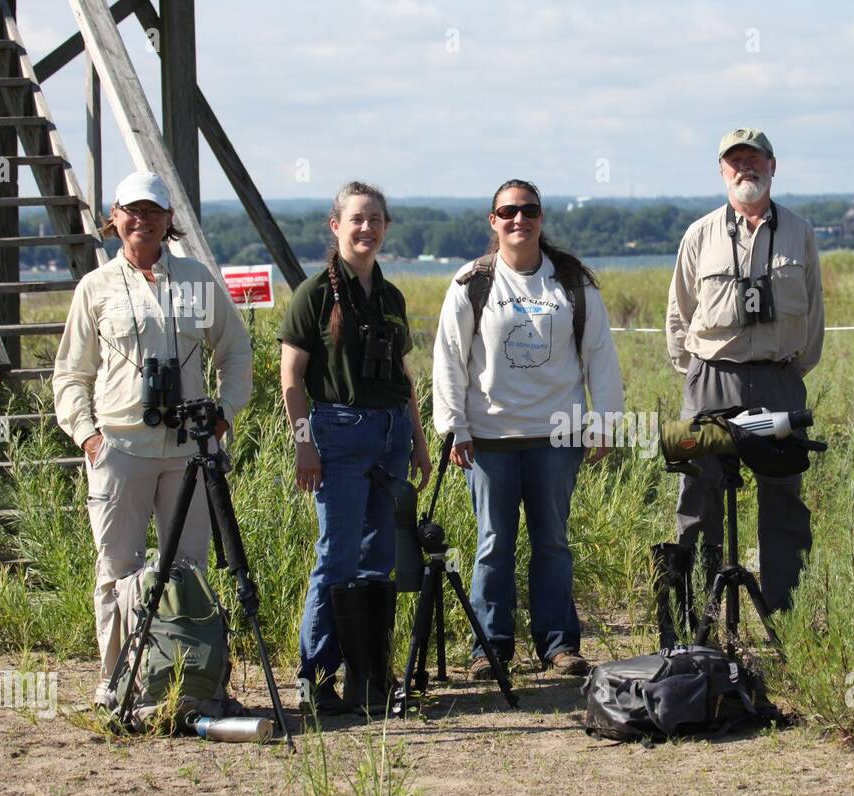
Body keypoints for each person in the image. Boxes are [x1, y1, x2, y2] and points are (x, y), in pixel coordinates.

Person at [53, 170, 253, 707]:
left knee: (188, 568)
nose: (141, 221)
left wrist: (224, 412)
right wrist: (88, 437)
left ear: (170, 221)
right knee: (117, 569)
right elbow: (71, 373)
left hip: (189, 450)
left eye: (153, 211)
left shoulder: (197, 280)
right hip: (118, 449)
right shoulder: (94, 289)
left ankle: (187, 680)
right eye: (131, 211)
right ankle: (117, 682)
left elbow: (235, 351)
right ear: (113, 218)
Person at [432, 178, 624, 679]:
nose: (520, 220)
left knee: (552, 542)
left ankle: (559, 646)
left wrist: (603, 422)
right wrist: (454, 426)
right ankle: (489, 648)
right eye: (509, 211)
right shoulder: (472, 283)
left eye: (530, 210)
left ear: (541, 218)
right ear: (493, 221)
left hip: (557, 435)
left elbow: (599, 355)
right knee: (493, 543)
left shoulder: (572, 283)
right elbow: (449, 359)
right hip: (489, 438)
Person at [279, 181, 431, 717]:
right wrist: (305, 445)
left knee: (379, 559)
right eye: (357, 219)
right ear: (336, 226)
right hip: (337, 433)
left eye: (376, 220)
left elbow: (405, 374)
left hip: (390, 434)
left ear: (386, 227)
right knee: (336, 558)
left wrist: (418, 439)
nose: (367, 228)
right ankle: (314, 680)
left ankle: (367, 676)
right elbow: (292, 379)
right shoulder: (314, 293)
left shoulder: (390, 296)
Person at [664, 128, 824, 612]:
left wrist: (789, 370)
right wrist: (698, 373)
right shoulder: (700, 234)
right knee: (699, 497)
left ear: (773, 165)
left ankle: (782, 614)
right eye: (734, 162)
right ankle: (703, 618)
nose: (744, 169)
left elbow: (814, 313)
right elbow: (679, 314)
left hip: (778, 379)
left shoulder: (800, 232)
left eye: (754, 159)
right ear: (722, 171)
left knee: (783, 500)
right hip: (712, 379)